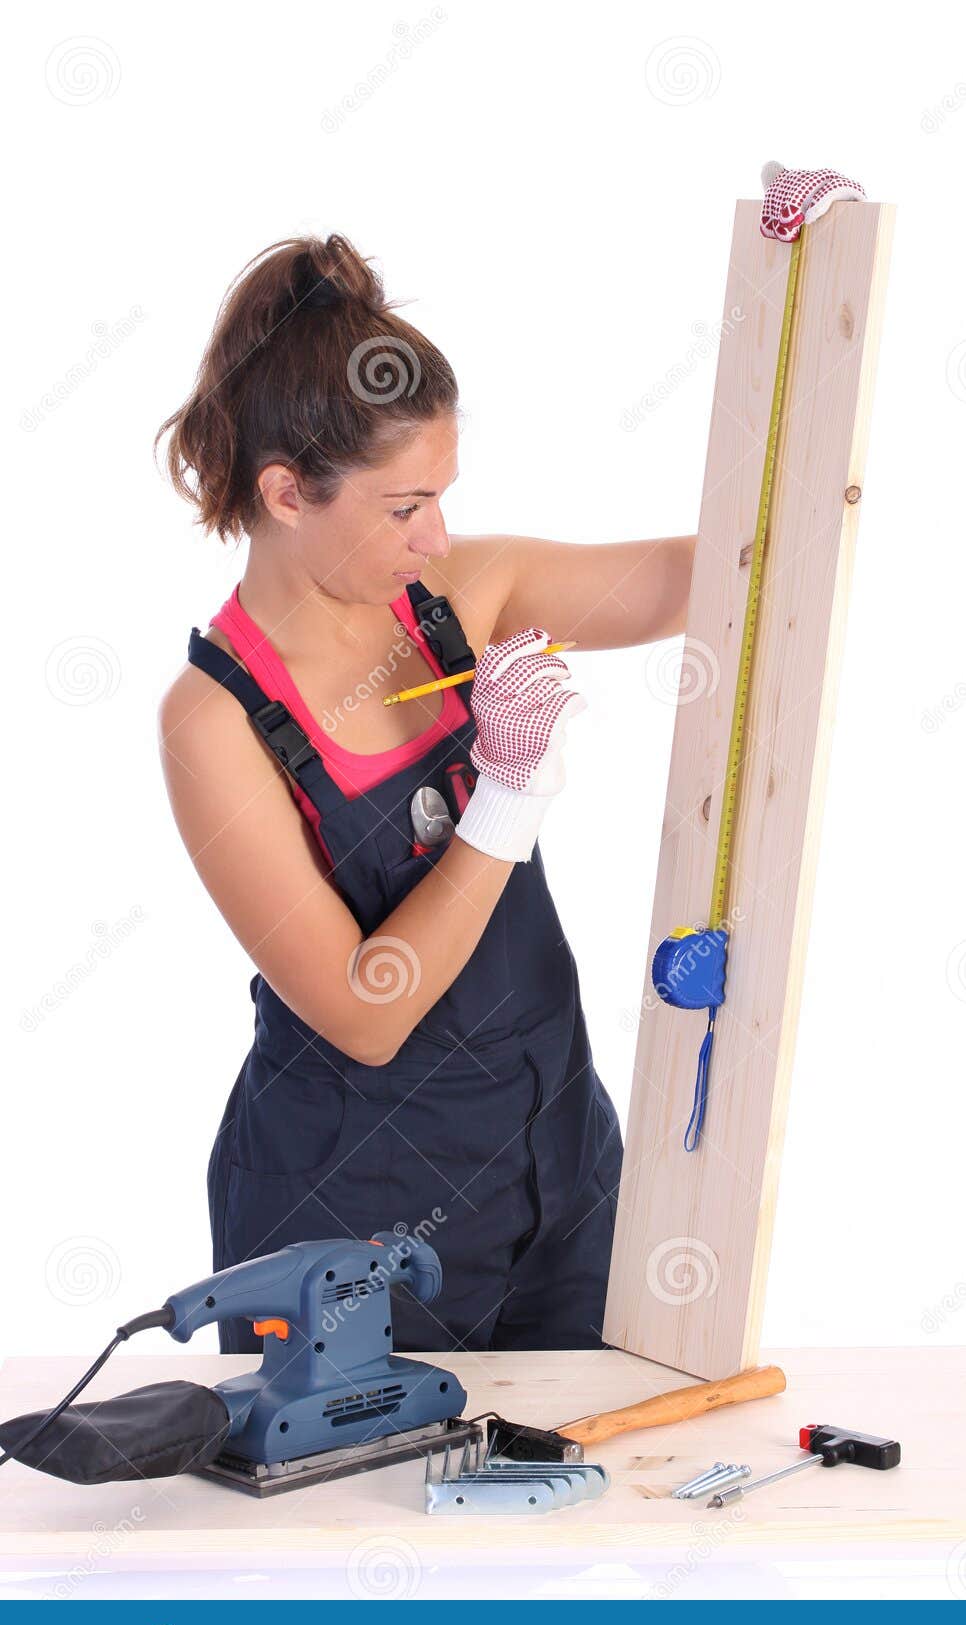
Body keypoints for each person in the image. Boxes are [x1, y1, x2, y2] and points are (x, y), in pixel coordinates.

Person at [157, 234, 695, 1354]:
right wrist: (504, 799)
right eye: (405, 507)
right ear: (287, 491)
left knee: (588, 1494)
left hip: (558, 1172)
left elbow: (719, 573)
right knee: (377, 1521)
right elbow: (366, 1009)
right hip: (349, 1222)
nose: (437, 536)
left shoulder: (453, 594)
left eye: (442, 498)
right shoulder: (214, 722)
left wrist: (806, 321)